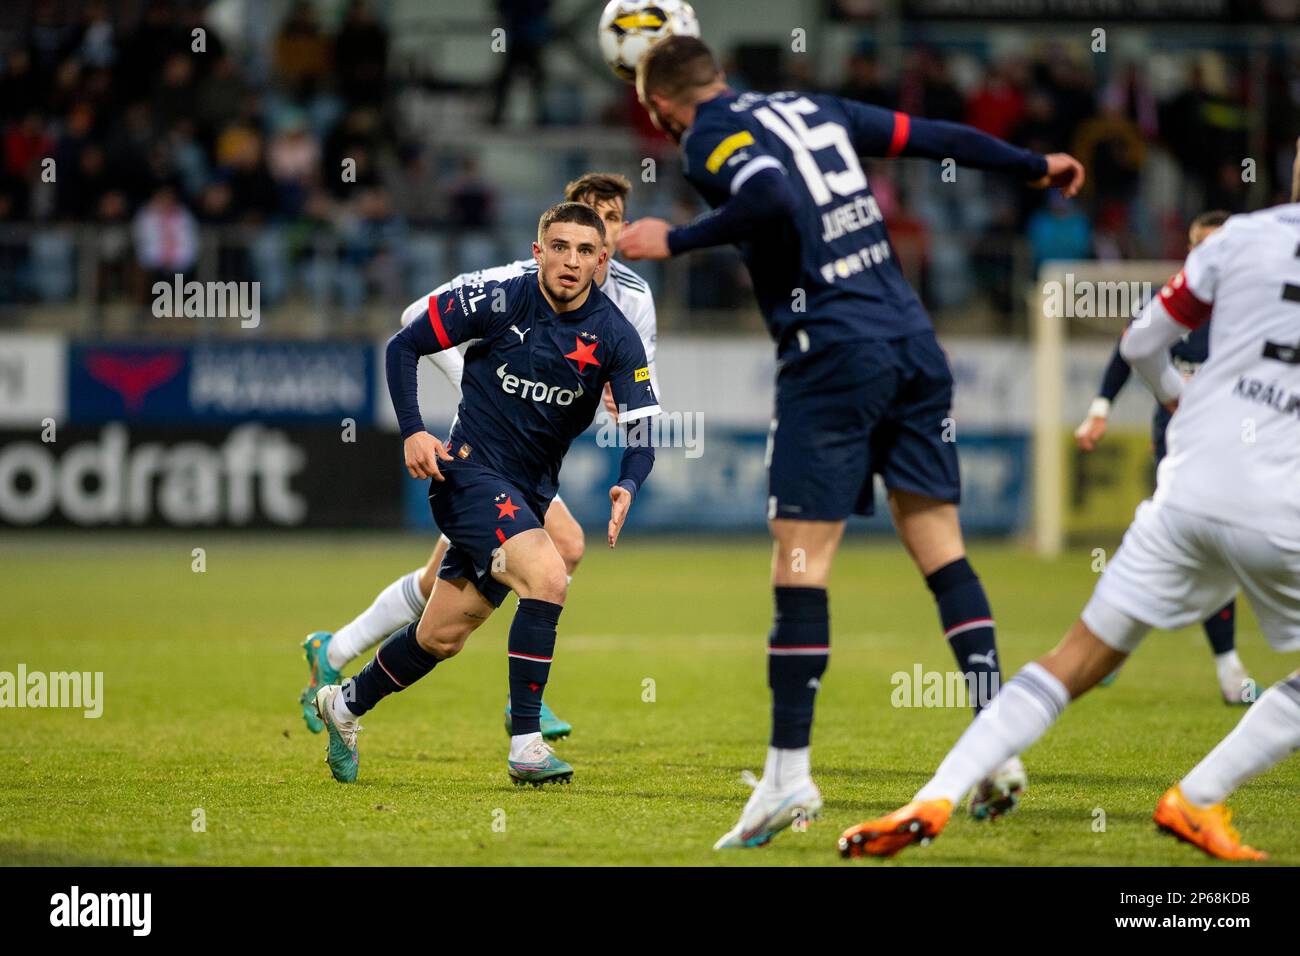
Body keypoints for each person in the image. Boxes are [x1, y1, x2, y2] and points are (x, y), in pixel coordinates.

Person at [617, 35, 1084, 849]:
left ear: (661, 106)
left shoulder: (708, 134)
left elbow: (768, 197)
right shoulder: (813, 105)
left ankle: (788, 778)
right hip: (912, 342)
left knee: (799, 557)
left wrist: (675, 240)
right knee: (941, 547)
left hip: (832, 352)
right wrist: (1032, 164)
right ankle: (996, 746)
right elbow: (933, 136)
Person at [840, 199, 1300, 861]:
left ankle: (936, 794)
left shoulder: (1242, 237)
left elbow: (1139, 342)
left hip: (1189, 484)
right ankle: (1200, 795)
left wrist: (1178, 399)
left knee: (1071, 661)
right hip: (1282, 500)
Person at [299, 173, 659, 743]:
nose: (584, 246)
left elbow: (641, 409)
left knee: (441, 630)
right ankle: (526, 726)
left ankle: (341, 681)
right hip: (481, 458)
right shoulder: (510, 287)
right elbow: (413, 323)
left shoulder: (631, 305)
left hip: (534, 474)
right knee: (555, 561)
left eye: (607, 222)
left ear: (609, 242)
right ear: (542, 244)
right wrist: (476, 392)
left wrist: (629, 465)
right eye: (567, 236)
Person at [1075, 209, 1253, 704]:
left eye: (1221, 246)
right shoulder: (1171, 303)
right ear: (1190, 251)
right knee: (1177, 543)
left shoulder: (1252, 308)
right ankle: (1221, 669)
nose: (1212, 256)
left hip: (1235, 444)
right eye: (1202, 246)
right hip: (1176, 442)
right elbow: (1127, 349)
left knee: (1204, 547)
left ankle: (1118, 645)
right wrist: (1100, 409)